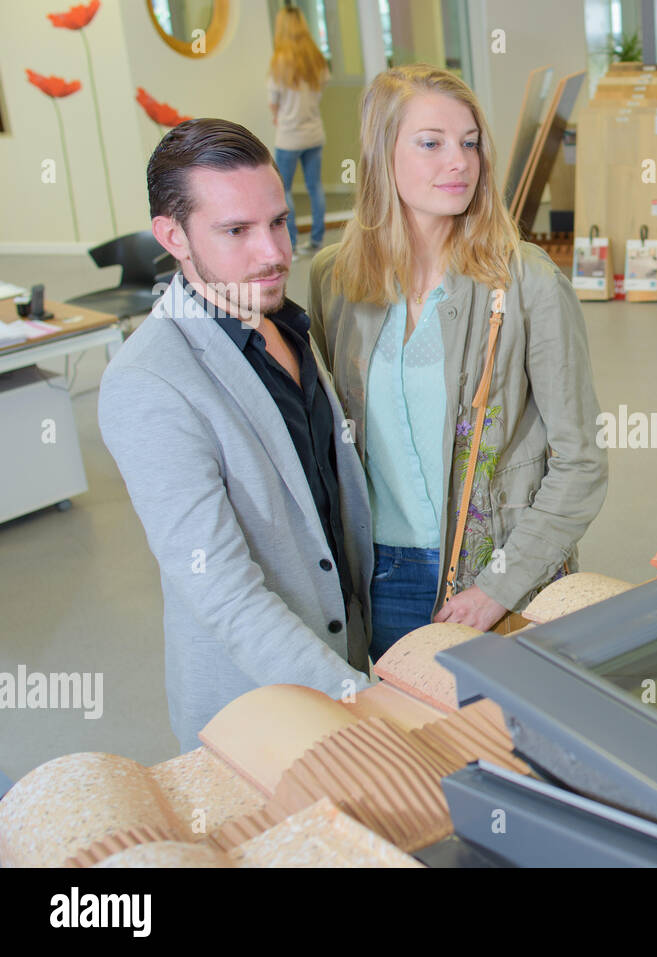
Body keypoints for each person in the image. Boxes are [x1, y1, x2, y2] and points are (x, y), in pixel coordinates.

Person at [309, 65, 607, 659]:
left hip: (496, 571)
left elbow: (581, 463)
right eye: (431, 143)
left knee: (507, 744)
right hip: (382, 576)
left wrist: (499, 586)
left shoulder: (526, 281)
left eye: (470, 143)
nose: (460, 161)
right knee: (419, 746)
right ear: (379, 154)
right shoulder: (335, 279)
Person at [99, 118, 372, 751]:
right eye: (236, 231)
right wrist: (356, 699)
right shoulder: (148, 383)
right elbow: (223, 592)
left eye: (278, 221)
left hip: (349, 658)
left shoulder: (286, 320)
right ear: (173, 236)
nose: (274, 252)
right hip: (257, 710)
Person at [268, 5, 330, 258]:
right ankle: (317, 240)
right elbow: (322, 87)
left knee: (284, 190)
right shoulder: (315, 59)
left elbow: (274, 101)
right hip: (314, 133)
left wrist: (277, 114)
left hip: (289, 138)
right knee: (315, 186)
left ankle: (291, 244)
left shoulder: (280, 62)